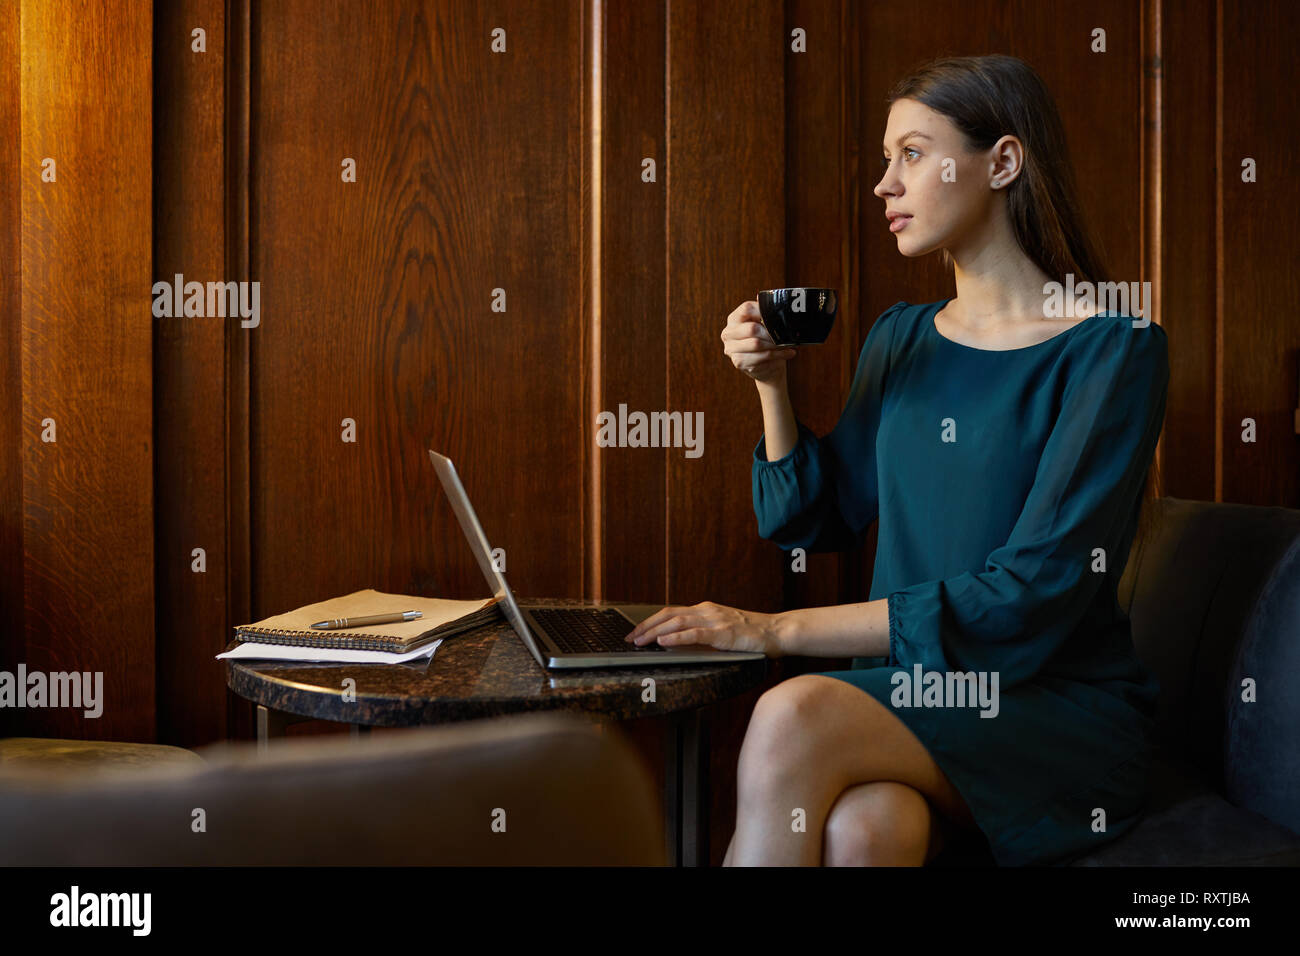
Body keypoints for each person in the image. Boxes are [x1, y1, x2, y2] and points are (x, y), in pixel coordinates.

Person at [625, 54, 1168, 867]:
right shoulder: (900, 338)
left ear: (1004, 163)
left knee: (790, 714)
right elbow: (812, 518)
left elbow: (1030, 596)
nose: (884, 184)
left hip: (1053, 709)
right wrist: (771, 386)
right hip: (917, 700)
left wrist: (768, 629)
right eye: (886, 159)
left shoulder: (1114, 348)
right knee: (865, 832)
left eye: (911, 154)